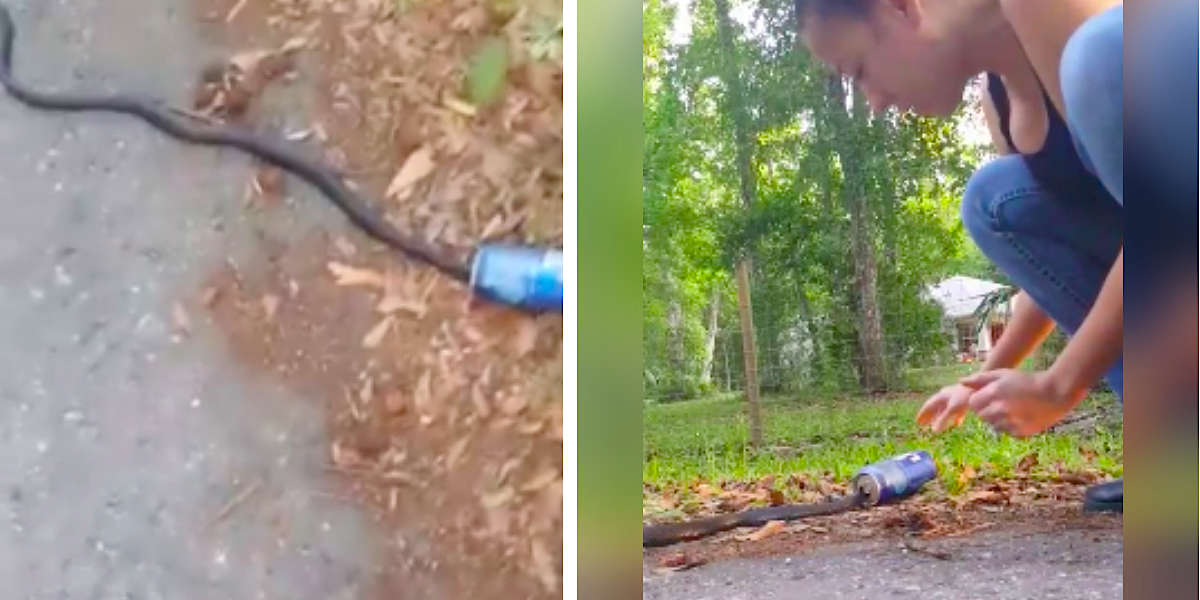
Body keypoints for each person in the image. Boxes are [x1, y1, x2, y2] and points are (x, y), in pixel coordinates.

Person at [793, 0, 1124, 512]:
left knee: (1097, 55)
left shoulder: (1063, 23)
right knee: (994, 199)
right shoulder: (999, 99)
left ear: (901, 8)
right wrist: (979, 384)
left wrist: (1061, 384)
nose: (874, 102)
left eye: (859, 71)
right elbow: (1051, 273)